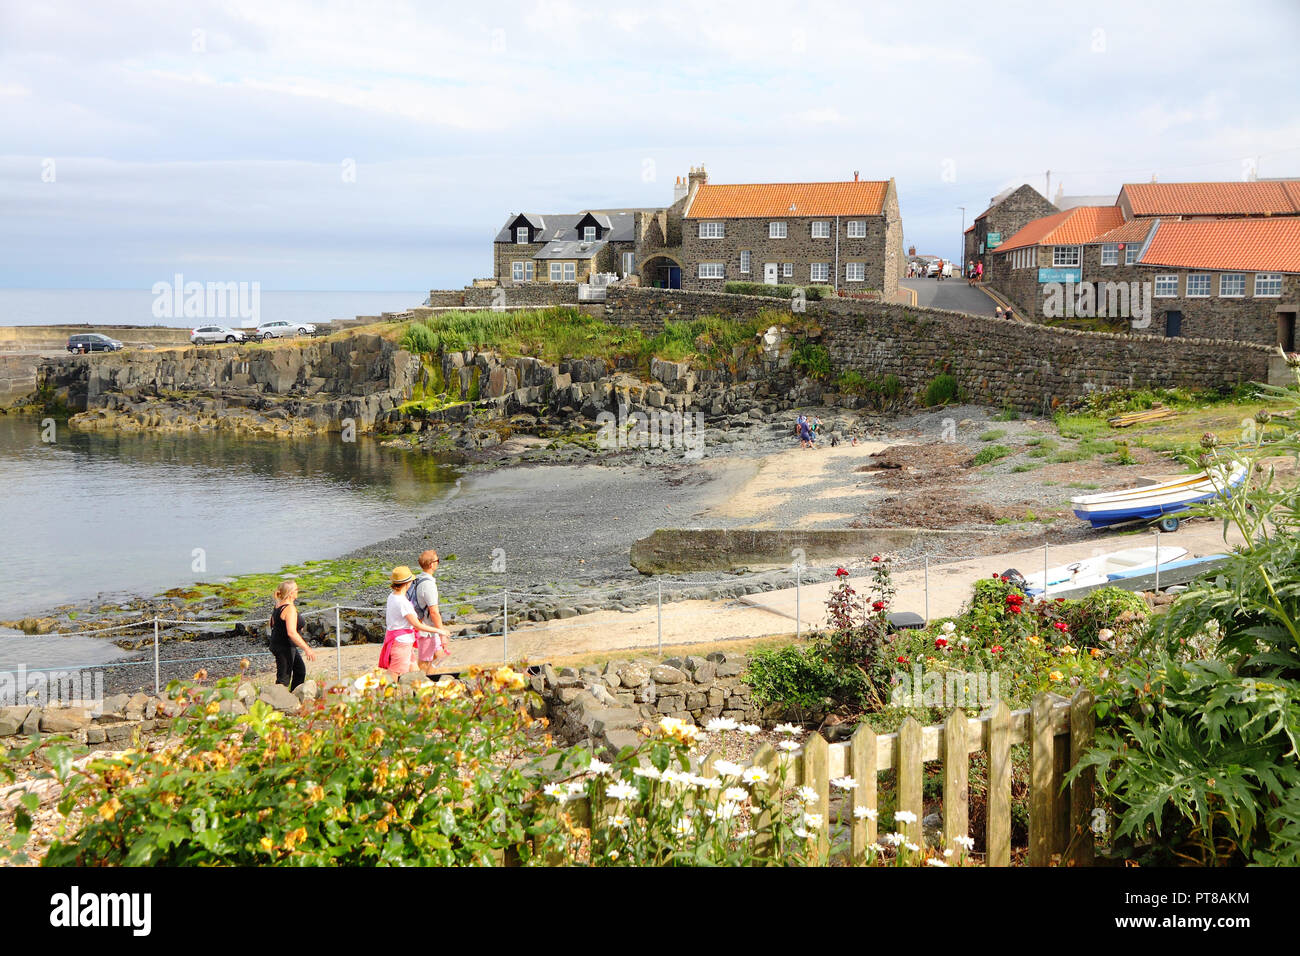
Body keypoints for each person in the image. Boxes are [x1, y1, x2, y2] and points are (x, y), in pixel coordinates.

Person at [379, 566, 445, 678]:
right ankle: (391, 694)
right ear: (407, 583)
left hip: (400, 640)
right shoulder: (402, 602)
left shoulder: (392, 596)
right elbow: (417, 625)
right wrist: (440, 631)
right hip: (402, 642)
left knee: (414, 671)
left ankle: (416, 690)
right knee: (395, 674)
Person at [411, 550, 452, 674]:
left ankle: (429, 680)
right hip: (426, 629)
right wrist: (442, 633)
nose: (438, 563)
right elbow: (434, 612)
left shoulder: (418, 579)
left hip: (426, 627)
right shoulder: (428, 585)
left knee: (439, 656)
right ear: (431, 565)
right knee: (424, 661)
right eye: (437, 561)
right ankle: (421, 683)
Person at [269, 580, 315, 691]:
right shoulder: (289, 609)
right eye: (296, 589)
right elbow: (291, 633)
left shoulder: (280, 604)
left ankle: (294, 696)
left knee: (300, 671)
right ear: (290, 593)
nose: (298, 591)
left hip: (282, 644)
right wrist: (307, 649)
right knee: (283, 679)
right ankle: (278, 703)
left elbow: (272, 623)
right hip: (284, 647)